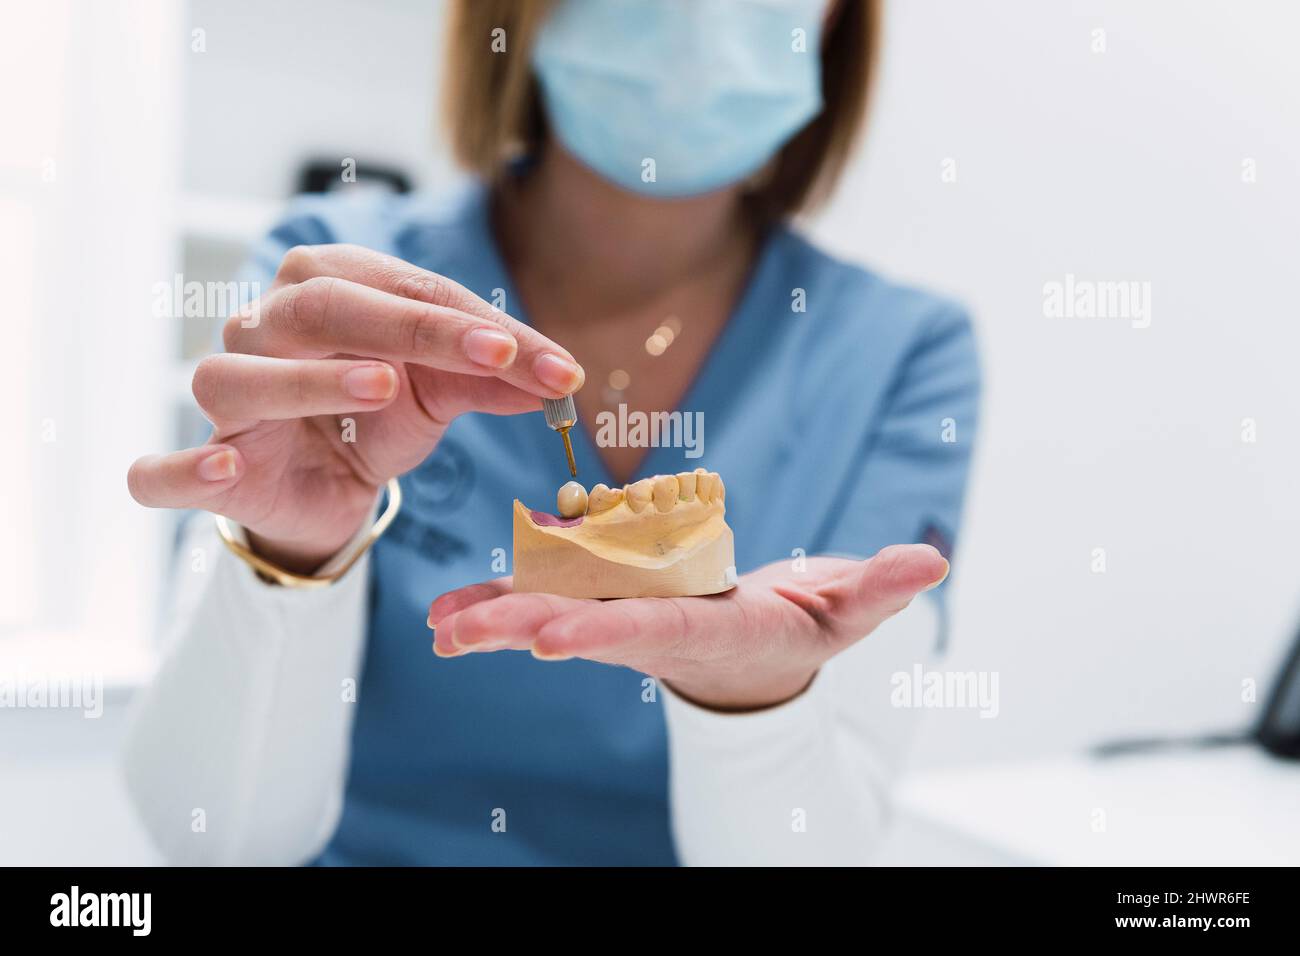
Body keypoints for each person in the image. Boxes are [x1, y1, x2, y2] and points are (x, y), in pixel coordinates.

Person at [124, 0, 979, 866]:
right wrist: (291, 557)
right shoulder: (330, 294)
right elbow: (214, 842)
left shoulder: (903, 355)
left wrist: (752, 696)